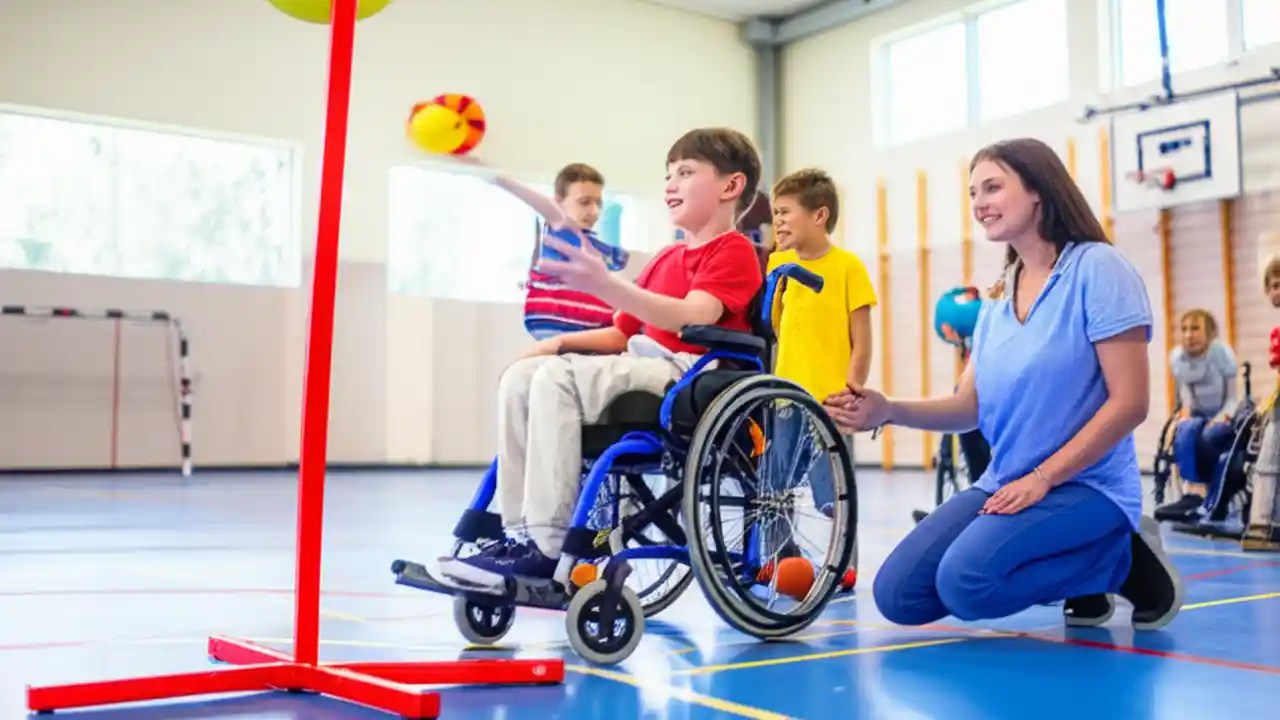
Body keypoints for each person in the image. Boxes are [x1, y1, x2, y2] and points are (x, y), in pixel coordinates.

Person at [824, 137, 1183, 631]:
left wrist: (1042, 479)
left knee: (966, 582)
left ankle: (1122, 561)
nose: (979, 204)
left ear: (1038, 190)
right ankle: (1084, 577)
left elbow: (1130, 404)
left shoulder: (1099, 269)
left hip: (1088, 486)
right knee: (898, 595)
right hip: (1007, 482)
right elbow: (968, 406)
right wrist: (887, 408)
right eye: (973, 193)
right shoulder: (996, 296)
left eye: (992, 188)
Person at [438, 127, 766, 587]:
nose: (670, 184)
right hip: (637, 364)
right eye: (668, 174)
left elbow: (694, 316)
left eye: (686, 172)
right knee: (522, 376)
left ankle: (546, 545)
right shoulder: (664, 259)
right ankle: (516, 535)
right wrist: (554, 343)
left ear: (731, 186)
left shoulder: (735, 252)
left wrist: (610, 286)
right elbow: (620, 333)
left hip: (685, 374)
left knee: (554, 380)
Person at [766, 168, 876, 516]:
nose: (778, 221)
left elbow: (862, 340)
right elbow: (774, 329)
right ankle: (779, 561)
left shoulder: (848, 267)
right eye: (775, 214)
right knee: (775, 494)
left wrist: (852, 388)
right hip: (785, 396)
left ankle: (844, 565)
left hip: (829, 400)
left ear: (819, 215)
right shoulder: (778, 263)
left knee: (834, 497)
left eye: (785, 211)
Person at [463, 158, 631, 339]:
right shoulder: (560, 229)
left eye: (598, 203)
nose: (594, 211)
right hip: (561, 319)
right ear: (558, 201)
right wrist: (500, 178)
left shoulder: (596, 247)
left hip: (590, 330)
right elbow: (546, 207)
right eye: (584, 202)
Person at [1153, 309, 1239, 522]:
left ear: (1209, 332)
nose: (1189, 335)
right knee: (1185, 428)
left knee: (1210, 436)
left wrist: (1222, 417)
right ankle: (1193, 491)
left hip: (1224, 415)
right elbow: (1187, 398)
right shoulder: (1177, 358)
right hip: (1199, 415)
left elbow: (1233, 398)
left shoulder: (1222, 354)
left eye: (1195, 328)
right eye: (1184, 329)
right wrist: (1183, 418)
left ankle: (1215, 495)